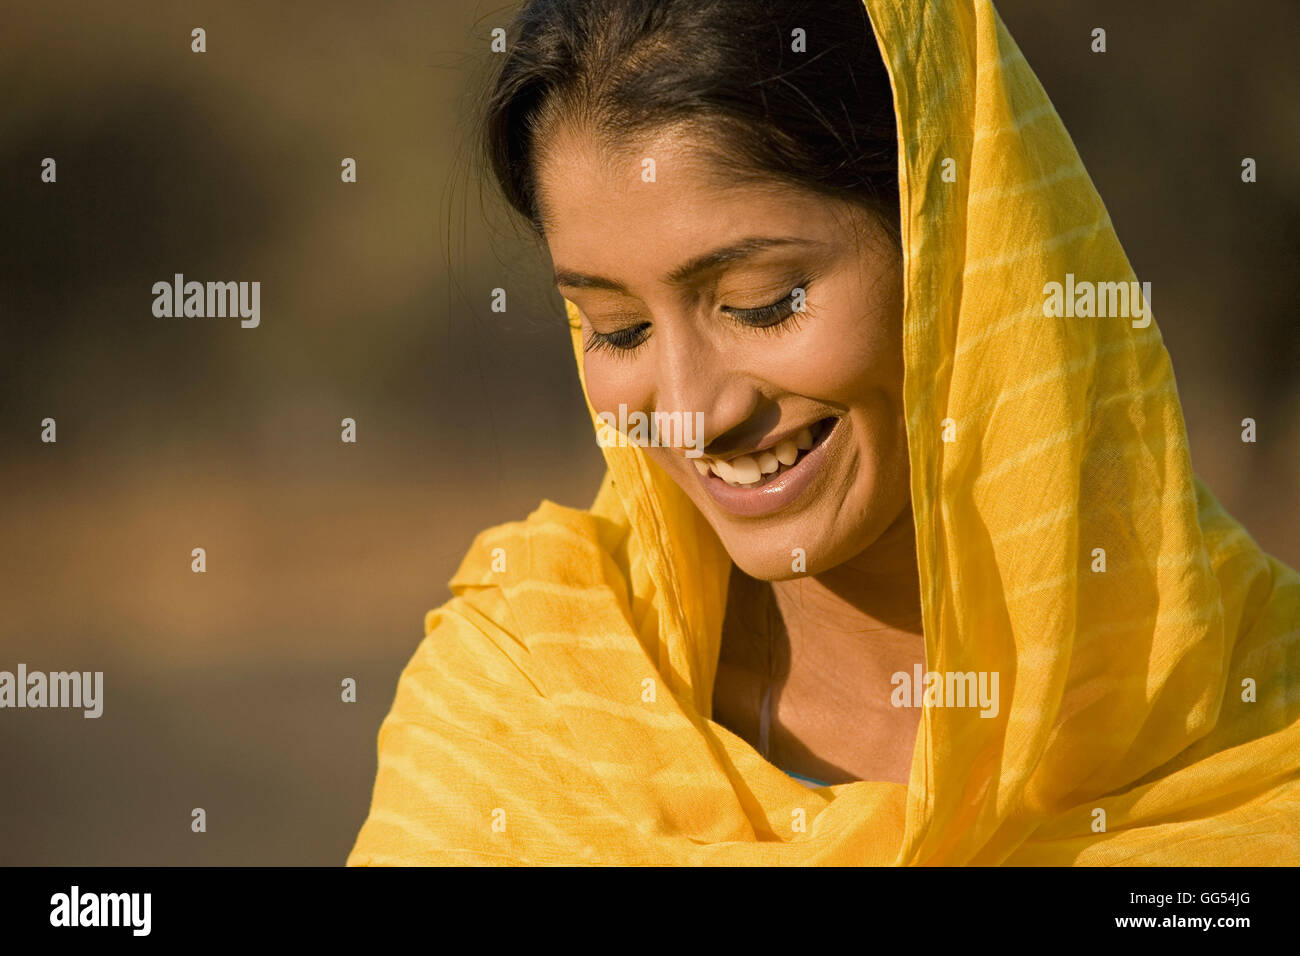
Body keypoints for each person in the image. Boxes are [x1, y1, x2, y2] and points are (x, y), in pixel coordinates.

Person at [348, 0, 1300, 865]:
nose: (692, 408)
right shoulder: (523, 712)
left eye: (762, 304)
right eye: (617, 329)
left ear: (957, 249)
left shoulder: (1263, 730)